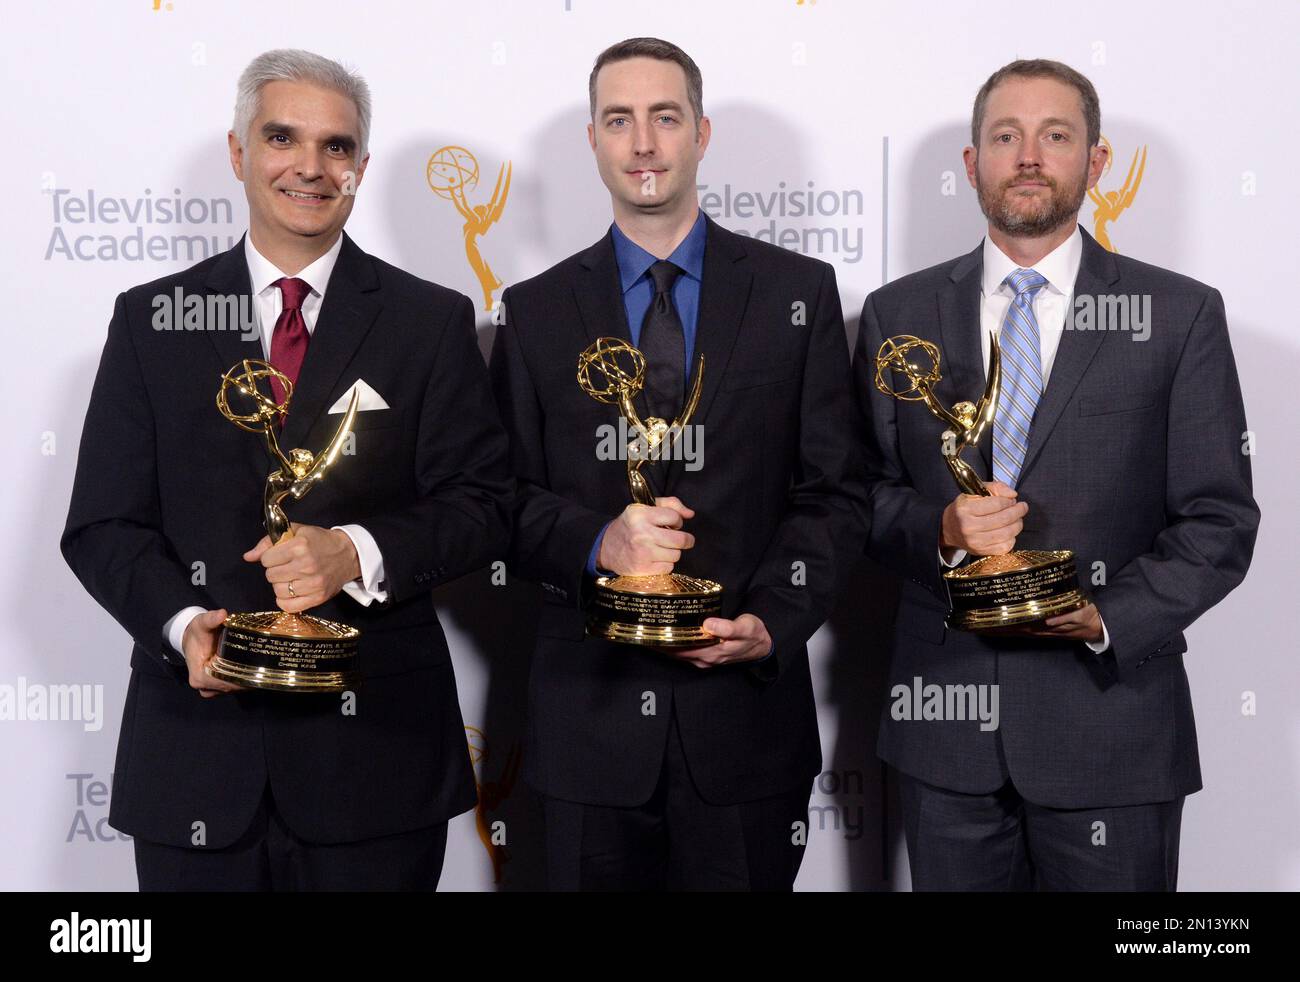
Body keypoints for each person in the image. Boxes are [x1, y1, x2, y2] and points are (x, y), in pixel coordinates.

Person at [61, 49, 512, 890]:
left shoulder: (431, 321)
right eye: (282, 137)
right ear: (238, 152)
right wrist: (182, 624)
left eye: (336, 147)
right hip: (195, 760)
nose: (310, 165)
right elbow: (101, 526)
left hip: (377, 764)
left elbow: (483, 506)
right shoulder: (153, 321)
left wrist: (357, 550)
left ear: (361, 169)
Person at [853, 59, 1259, 890]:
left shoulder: (1180, 316)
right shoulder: (899, 314)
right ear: (972, 164)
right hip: (945, 733)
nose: (1028, 156)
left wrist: (1105, 617)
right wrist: (940, 530)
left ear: (1097, 162)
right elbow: (857, 493)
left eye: (1055, 136)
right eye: (1005, 137)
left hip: (1113, 733)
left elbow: (1220, 520)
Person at [489, 37, 866, 891]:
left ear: (703, 131)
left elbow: (834, 495)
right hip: (586, 725)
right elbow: (498, 501)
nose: (645, 143)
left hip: (745, 727)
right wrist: (598, 544)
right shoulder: (536, 310)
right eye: (620, 120)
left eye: (665, 117)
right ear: (593, 140)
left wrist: (772, 619)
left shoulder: (797, 294)